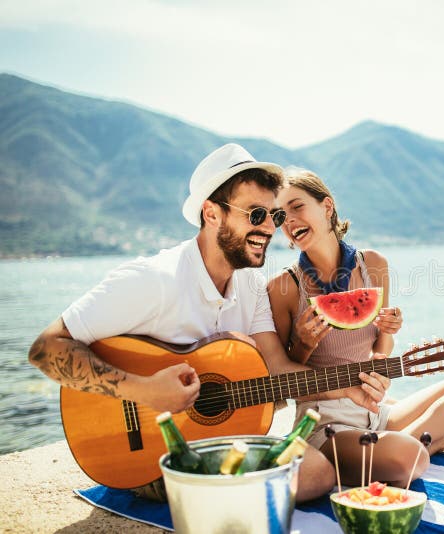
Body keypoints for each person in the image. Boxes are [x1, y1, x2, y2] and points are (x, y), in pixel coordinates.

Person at [27, 143, 390, 502]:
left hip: (221, 443)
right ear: (212, 213)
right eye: (255, 214)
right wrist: (143, 390)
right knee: (312, 475)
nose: (268, 228)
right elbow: (45, 349)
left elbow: (277, 370)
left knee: (316, 471)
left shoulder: (251, 285)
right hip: (149, 457)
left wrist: (345, 388)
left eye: (274, 216)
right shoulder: (153, 279)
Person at [267, 167, 444, 486]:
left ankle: (406, 446)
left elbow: (380, 350)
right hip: (325, 422)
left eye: (297, 206)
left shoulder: (373, 265)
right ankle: (422, 445)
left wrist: (387, 334)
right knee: (407, 457)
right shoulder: (283, 287)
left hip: (376, 410)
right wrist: (304, 342)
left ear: (327, 207)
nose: (290, 220)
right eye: (281, 216)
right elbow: (281, 380)